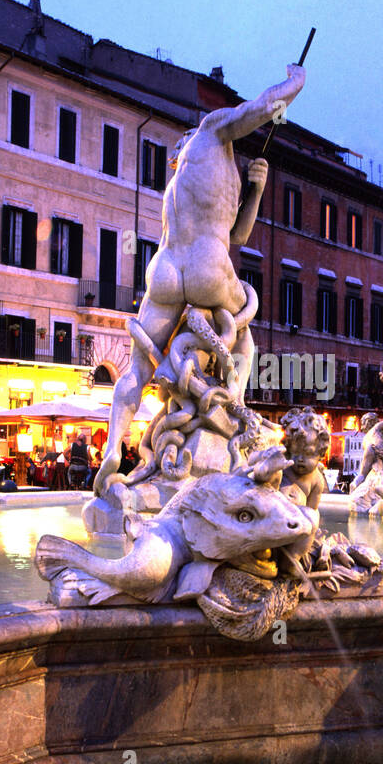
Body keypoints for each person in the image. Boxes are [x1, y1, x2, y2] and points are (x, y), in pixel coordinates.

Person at [94, 63, 307, 496]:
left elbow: (238, 233)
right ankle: (236, 411)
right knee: (243, 336)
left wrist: (256, 191)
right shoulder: (212, 129)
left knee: (136, 366)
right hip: (209, 266)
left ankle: (113, 448)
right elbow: (264, 107)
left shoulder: (181, 180)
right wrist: (294, 82)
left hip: (167, 269)